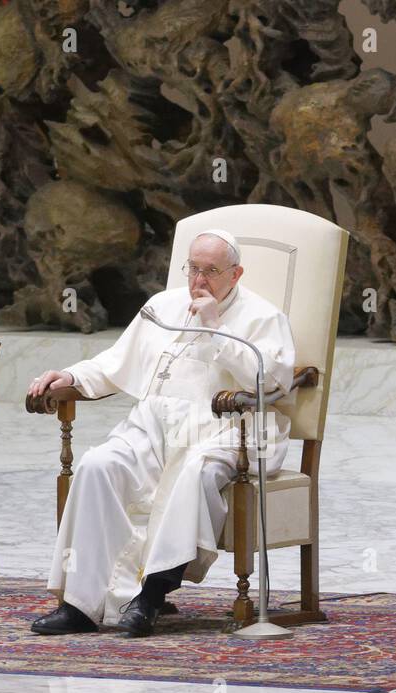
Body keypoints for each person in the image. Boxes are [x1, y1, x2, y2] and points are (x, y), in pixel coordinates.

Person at [27, 229, 295, 637]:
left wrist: (214, 327)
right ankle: (80, 604)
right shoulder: (162, 306)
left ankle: (151, 597)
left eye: (211, 271)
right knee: (97, 465)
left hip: (229, 427)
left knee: (193, 474)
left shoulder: (263, 317)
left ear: (236, 274)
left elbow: (272, 382)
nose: (198, 281)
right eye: (193, 269)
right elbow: (116, 360)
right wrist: (70, 376)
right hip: (154, 425)